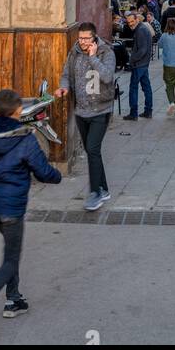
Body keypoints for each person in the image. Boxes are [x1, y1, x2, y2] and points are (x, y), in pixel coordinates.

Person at [0, 87, 62, 338]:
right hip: (13, 207)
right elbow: (42, 171)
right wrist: (56, 176)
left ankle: (14, 299)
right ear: (19, 111)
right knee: (11, 259)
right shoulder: (25, 137)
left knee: (10, 250)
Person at [55, 21, 116, 209]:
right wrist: (64, 87)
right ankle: (104, 189)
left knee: (92, 149)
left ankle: (95, 193)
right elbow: (66, 74)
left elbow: (107, 77)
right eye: (80, 38)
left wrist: (93, 58)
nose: (82, 42)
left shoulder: (106, 52)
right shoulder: (73, 52)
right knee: (92, 151)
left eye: (86, 38)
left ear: (94, 37)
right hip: (81, 110)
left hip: (100, 109)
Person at [122, 9, 154, 120]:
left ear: (136, 19)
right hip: (143, 63)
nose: (130, 24)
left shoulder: (140, 30)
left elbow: (142, 50)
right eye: (128, 22)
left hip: (139, 64)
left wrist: (131, 59)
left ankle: (133, 113)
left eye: (132, 22)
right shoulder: (142, 28)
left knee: (133, 88)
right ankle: (148, 111)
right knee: (146, 87)